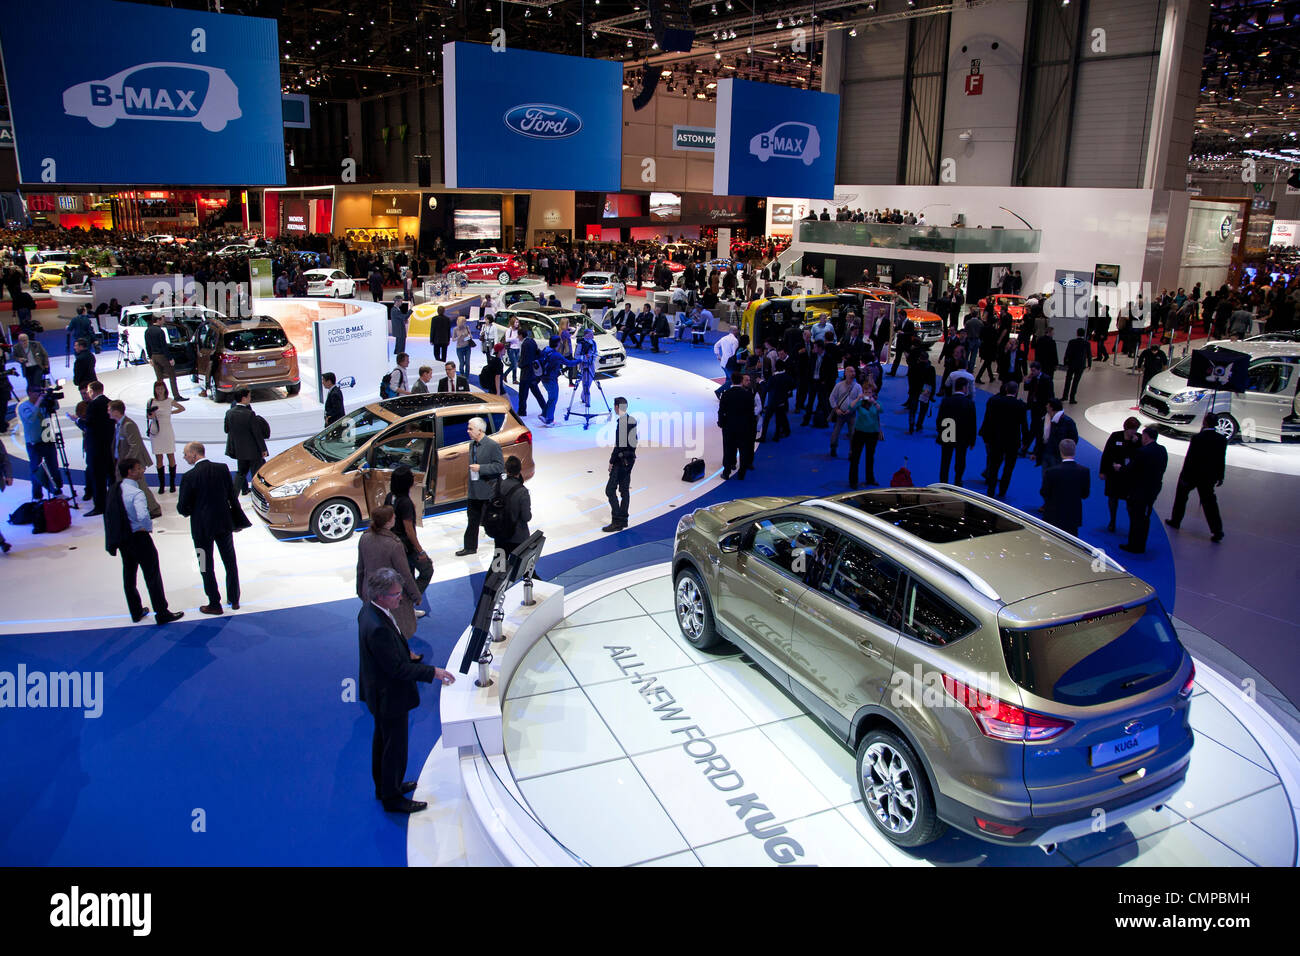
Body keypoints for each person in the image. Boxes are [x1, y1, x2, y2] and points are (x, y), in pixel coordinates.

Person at [357, 565, 454, 814]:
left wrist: (403, 651)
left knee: (384, 743)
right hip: (389, 696)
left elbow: (388, 652)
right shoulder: (377, 627)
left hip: (378, 693)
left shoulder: (369, 611)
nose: (400, 597)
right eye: (396, 594)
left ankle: (386, 787)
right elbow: (397, 670)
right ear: (380, 596)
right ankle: (392, 798)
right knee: (394, 748)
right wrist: (433, 672)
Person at [104, 458, 184, 626]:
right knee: (152, 576)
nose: (142, 471)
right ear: (130, 472)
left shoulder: (115, 489)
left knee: (129, 576)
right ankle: (162, 613)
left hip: (123, 539)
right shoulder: (137, 493)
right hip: (139, 539)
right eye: (139, 468)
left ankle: (136, 611)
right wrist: (146, 528)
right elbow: (143, 516)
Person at [176, 441, 241, 614]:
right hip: (223, 524)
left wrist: (194, 509)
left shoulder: (189, 477)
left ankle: (214, 603)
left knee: (205, 565)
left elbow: (182, 508)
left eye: (186, 454)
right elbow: (231, 496)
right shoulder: (222, 468)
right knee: (230, 562)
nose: (184, 457)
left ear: (194, 454)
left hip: (201, 529)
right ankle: (234, 599)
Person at [1167, 416, 1227, 542]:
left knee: (1181, 498)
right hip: (1208, 477)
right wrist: (1220, 476)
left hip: (1192, 475)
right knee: (1210, 504)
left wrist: (1184, 475)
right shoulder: (1221, 440)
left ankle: (1176, 521)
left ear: (1204, 422)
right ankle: (1217, 530)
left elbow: (1190, 458)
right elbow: (1221, 460)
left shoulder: (1197, 438)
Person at [385, 466, 433, 613]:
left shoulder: (389, 497)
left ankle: (406, 607)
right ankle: (408, 603)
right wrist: (420, 550)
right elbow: (409, 530)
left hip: (392, 543)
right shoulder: (405, 502)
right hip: (405, 546)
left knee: (406, 576)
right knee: (427, 569)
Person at [455, 417, 504, 556]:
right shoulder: (472, 445)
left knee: (492, 522)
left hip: (488, 492)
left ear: (480, 430)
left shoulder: (493, 445)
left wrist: (481, 468)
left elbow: (500, 466)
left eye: (470, 428)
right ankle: (470, 547)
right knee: (472, 520)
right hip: (474, 491)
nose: (467, 431)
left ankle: (501, 547)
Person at [1120, 425, 1168, 554]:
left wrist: (1120, 468)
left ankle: (1134, 545)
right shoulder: (1162, 450)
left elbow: (1131, 470)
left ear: (1146, 437)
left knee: (1136, 518)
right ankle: (1140, 544)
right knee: (1145, 517)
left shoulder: (1142, 452)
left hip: (1139, 490)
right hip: (1153, 489)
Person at [980, 381, 1027, 498]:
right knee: (1008, 468)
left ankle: (991, 490)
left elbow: (988, 420)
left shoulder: (996, 401)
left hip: (996, 439)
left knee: (994, 466)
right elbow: (1024, 425)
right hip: (1013, 442)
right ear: (1016, 391)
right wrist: (1025, 442)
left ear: (1006, 389)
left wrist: (986, 435)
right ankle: (1002, 491)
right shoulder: (1020, 405)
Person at [18, 385, 63, 500]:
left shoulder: (44, 404)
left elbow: (56, 407)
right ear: (29, 392)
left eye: (41, 391)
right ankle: (37, 495)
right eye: (37, 392)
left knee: (54, 467)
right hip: (34, 443)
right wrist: (39, 402)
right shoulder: (23, 406)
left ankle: (57, 491)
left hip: (48, 439)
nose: (39, 394)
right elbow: (30, 418)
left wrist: (52, 397)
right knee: (36, 469)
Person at [1039, 438, 1090, 536]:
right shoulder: (1084, 471)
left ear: (1060, 451)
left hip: (1053, 515)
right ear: (1074, 451)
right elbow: (1085, 494)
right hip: (1072, 516)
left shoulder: (1051, 471)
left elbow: (1044, 492)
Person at [223, 388, 269, 496]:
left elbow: (226, 430)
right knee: (256, 474)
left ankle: (233, 497)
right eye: (249, 396)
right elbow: (257, 434)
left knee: (240, 473)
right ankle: (257, 495)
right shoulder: (249, 414)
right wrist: (263, 449)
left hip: (239, 451)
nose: (250, 398)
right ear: (244, 398)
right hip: (253, 451)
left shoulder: (229, 413)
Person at [1099, 417, 1141, 532]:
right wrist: (1102, 471)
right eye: (1131, 429)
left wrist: (1135, 444)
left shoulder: (1139, 440)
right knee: (1112, 498)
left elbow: (1140, 456)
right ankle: (1112, 521)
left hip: (1128, 475)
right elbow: (1106, 454)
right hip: (1114, 474)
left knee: (1130, 500)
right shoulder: (1115, 436)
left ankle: (1132, 524)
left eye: (1135, 429)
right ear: (1126, 428)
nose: (1133, 432)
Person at [604, 397, 637, 532]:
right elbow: (634, 442)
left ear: (617, 407)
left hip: (621, 461)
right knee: (624, 490)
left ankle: (617, 520)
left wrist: (612, 461)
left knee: (610, 490)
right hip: (630, 460)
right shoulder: (632, 420)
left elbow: (619, 446)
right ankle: (623, 520)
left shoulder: (623, 423)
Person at [145, 380, 185, 493]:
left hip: (167, 430)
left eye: (161, 388)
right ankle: (162, 485)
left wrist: (171, 413)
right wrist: (152, 415)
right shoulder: (151, 402)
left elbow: (182, 408)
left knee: (170, 455)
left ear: (165, 389)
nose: (160, 390)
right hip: (156, 430)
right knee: (159, 458)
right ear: (155, 390)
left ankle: (172, 484)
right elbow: (148, 417)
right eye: (158, 389)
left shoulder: (169, 401)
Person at [935, 378, 977, 485]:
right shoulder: (969, 403)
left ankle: (943, 483)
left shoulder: (946, 401)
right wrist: (972, 440)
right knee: (960, 461)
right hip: (963, 436)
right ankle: (958, 482)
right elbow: (972, 423)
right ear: (964, 388)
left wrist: (941, 432)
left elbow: (940, 418)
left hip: (948, 433)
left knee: (945, 461)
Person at [718, 371, 756, 480]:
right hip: (744, 427)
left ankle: (726, 472)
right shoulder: (747, 394)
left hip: (729, 427)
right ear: (741, 381)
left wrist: (721, 423)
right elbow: (751, 413)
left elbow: (721, 411)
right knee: (744, 450)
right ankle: (742, 473)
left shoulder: (726, 394)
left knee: (728, 449)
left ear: (732, 380)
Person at [493, 455, 533, 556]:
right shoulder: (522, 491)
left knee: (498, 568)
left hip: (500, 536)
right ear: (520, 470)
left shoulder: (496, 486)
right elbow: (526, 517)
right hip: (518, 537)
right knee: (524, 570)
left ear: (506, 470)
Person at [83, 381, 113, 515]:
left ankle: (100, 505)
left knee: (97, 478)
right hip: (109, 445)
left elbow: (89, 426)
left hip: (95, 447)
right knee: (111, 477)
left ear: (92, 391)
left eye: (88, 392)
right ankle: (113, 502)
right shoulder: (110, 403)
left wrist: (77, 421)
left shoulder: (93, 405)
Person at [847, 383, 882, 489]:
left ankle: (870, 478)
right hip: (859, 433)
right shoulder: (859, 402)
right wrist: (858, 398)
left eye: (869, 392)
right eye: (865, 392)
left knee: (870, 457)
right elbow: (850, 407)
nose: (867, 394)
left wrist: (874, 402)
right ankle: (853, 481)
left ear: (873, 393)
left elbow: (881, 410)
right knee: (855, 457)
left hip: (872, 434)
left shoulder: (876, 403)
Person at [146, 313, 185, 401]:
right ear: (158, 320)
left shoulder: (147, 331)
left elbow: (147, 345)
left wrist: (150, 358)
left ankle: (160, 397)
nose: (163, 321)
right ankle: (176, 396)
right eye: (162, 320)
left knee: (159, 379)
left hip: (154, 356)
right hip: (162, 356)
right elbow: (164, 346)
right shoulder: (160, 331)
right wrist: (170, 358)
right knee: (172, 375)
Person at [826, 364, 863, 457]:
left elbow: (860, 400)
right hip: (840, 414)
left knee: (853, 434)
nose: (852, 373)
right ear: (845, 373)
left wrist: (852, 409)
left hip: (852, 414)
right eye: (850, 371)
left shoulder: (858, 387)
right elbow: (832, 398)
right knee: (835, 433)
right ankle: (833, 447)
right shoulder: (838, 385)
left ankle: (852, 452)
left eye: (853, 371)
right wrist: (836, 409)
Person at [1038, 397, 1078, 470]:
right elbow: (1040, 436)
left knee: (1056, 477)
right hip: (1046, 453)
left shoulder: (1067, 422)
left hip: (1058, 456)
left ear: (1052, 408)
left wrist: (1065, 453)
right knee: (1046, 477)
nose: (1046, 406)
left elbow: (1073, 439)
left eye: (1048, 405)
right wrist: (1036, 452)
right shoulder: (1045, 419)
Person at [517, 331, 546, 417]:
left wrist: (520, 364)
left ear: (521, 335)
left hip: (526, 372)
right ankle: (545, 408)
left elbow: (524, 358)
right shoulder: (532, 341)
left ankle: (522, 411)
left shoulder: (525, 344)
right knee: (536, 392)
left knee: (523, 394)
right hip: (533, 371)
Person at [537, 336, 564, 426]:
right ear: (557, 344)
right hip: (551, 380)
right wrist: (581, 360)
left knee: (551, 398)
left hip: (543, 378)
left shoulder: (545, 350)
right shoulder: (556, 355)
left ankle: (544, 414)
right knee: (553, 399)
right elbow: (569, 363)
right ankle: (549, 420)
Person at [1061, 328, 1091, 404]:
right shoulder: (1086, 343)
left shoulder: (1071, 342)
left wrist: (1065, 362)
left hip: (1071, 364)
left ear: (1077, 333)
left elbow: (1067, 352)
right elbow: (1089, 355)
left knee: (1068, 380)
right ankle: (1072, 398)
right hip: (1080, 365)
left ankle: (1065, 396)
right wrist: (1089, 364)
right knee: (1076, 382)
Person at [713, 327, 739, 397]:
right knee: (732, 380)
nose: (738, 331)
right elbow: (734, 354)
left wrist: (718, 355)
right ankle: (719, 391)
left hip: (723, 363)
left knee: (728, 379)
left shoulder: (723, 338)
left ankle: (726, 394)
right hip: (730, 364)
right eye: (737, 330)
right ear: (734, 331)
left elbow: (716, 346)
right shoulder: (735, 340)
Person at [452, 316, 474, 381]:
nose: (463, 324)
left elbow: (471, 337)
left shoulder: (467, 328)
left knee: (467, 362)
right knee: (461, 362)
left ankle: (466, 376)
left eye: (464, 322)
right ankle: (461, 374)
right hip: (459, 348)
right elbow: (453, 339)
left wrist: (466, 338)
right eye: (462, 322)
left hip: (467, 347)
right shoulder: (455, 329)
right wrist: (459, 337)